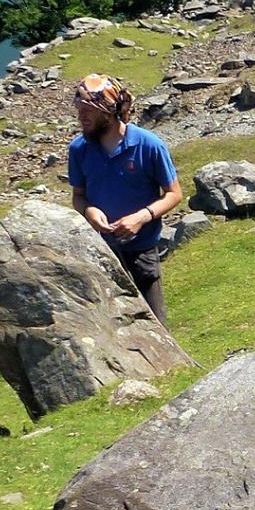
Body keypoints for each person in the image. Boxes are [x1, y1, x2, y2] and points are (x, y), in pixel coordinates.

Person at [67, 73, 183, 325]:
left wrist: (141, 217)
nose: (81, 117)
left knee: (154, 322)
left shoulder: (148, 145)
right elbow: (78, 197)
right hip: (99, 250)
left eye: (88, 110)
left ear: (108, 111)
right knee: (109, 322)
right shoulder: (79, 149)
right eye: (79, 109)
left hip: (142, 250)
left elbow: (174, 194)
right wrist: (89, 211)